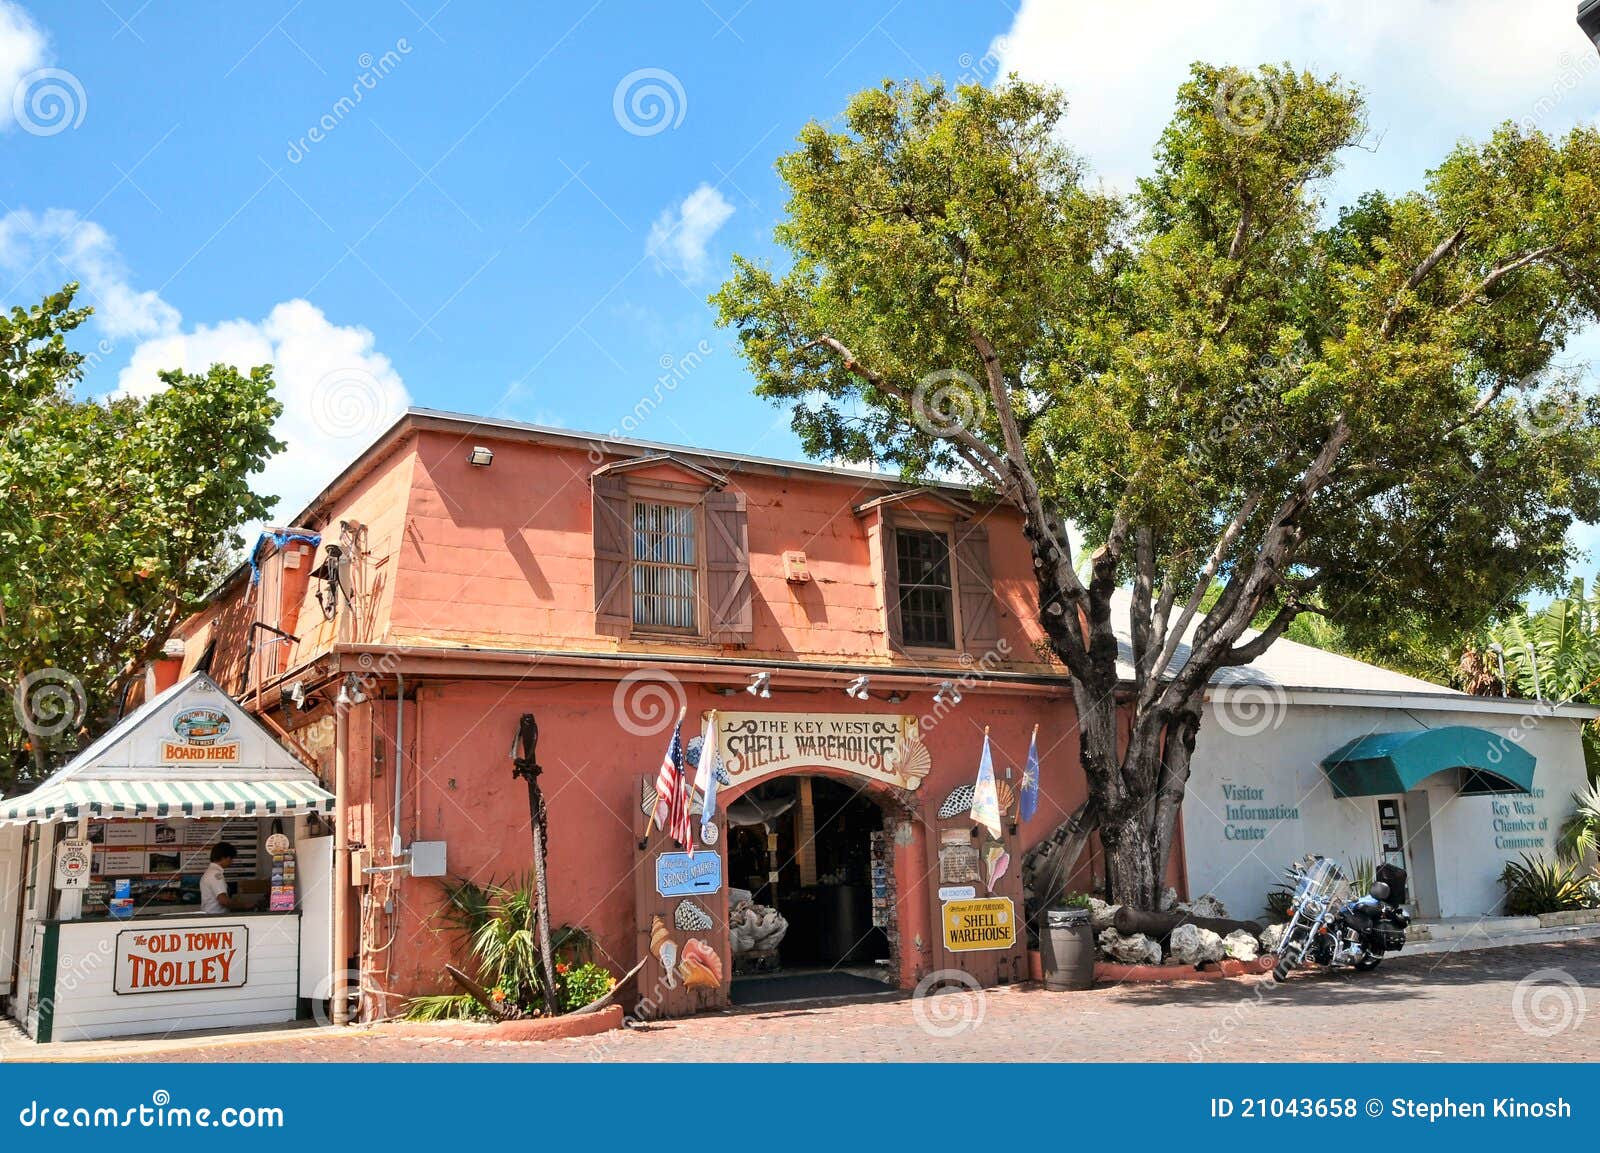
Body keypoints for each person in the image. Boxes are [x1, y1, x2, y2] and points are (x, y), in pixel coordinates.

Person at [200, 842, 243, 914]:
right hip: (216, 917)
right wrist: (245, 905)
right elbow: (223, 901)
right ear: (224, 858)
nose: (232, 862)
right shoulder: (215, 874)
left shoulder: (210, 872)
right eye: (231, 858)